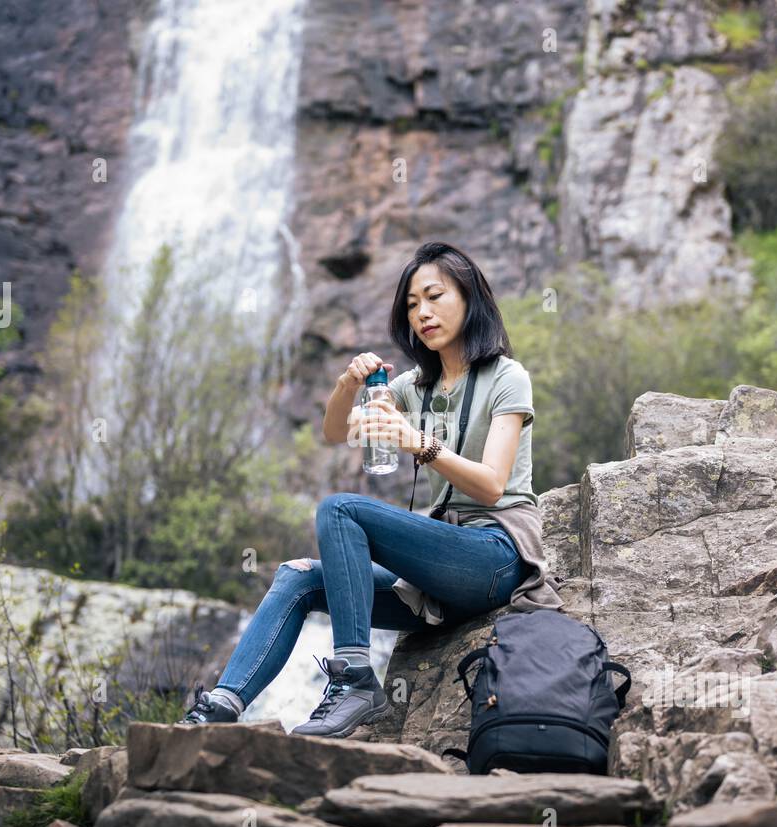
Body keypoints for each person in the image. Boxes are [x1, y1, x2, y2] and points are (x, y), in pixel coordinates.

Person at [178, 240, 564, 737]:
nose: (422, 312)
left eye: (434, 296)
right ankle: (220, 709)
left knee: (341, 511)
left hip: (495, 555)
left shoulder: (508, 378)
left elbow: (492, 486)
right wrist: (347, 384)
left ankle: (355, 681)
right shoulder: (410, 388)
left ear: (470, 299)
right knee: (297, 578)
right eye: (411, 304)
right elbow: (337, 433)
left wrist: (419, 444)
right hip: (441, 578)